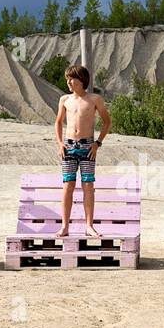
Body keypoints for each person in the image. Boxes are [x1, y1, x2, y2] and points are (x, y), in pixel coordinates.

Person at [54, 65, 111, 237]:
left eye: (71, 78)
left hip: (88, 147)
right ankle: (65, 226)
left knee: (88, 185)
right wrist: (59, 143)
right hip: (69, 146)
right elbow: (58, 122)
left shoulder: (94, 99)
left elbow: (107, 122)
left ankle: (89, 226)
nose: (68, 82)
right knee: (68, 185)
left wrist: (97, 143)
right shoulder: (64, 99)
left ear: (81, 80)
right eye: (67, 79)